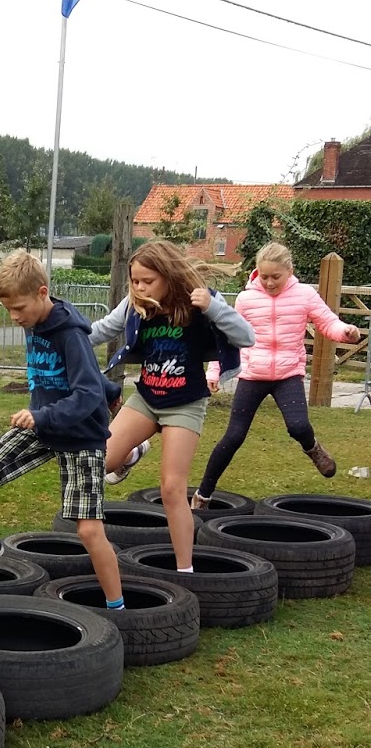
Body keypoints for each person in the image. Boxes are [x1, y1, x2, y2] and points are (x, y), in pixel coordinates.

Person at [0, 249, 125, 611]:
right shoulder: (34, 322)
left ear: (43, 293)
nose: (14, 317)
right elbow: (90, 377)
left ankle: (119, 610)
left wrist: (88, 402)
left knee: (89, 531)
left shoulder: (69, 333)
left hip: (79, 434)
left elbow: (86, 392)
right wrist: (112, 394)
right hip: (43, 421)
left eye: (20, 309)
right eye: (8, 310)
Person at [87, 240, 255, 572]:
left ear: (167, 275)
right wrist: (62, 336)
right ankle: (133, 453)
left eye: (147, 280)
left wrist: (212, 307)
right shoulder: (135, 303)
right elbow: (102, 330)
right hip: (146, 398)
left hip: (185, 404)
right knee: (97, 464)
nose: (139, 287)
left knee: (172, 489)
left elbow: (246, 337)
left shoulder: (201, 298)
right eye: (134, 280)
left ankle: (185, 571)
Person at [192, 241, 362, 506]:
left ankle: (313, 449)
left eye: (276, 277)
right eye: (264, 276)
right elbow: (226, 336)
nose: (269, 282)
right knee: (233, 436)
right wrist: (214, 371)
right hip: (252, 373)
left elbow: (327, 321)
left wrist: (346, 332)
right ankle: (203, 494)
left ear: (289, 271)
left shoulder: (304, 295)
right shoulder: (247, 299)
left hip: (287, 373)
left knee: (298, 427)